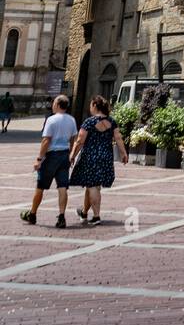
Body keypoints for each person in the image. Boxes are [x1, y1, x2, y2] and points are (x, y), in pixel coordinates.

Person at [20, 94, 77, 228]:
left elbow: (46, 140)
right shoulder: (72, 120)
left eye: (53, 103)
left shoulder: (51, 120)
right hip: (64, 155)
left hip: (52, 156)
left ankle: (32, 214)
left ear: (57, 104)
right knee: (62, 187)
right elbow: (73, 139)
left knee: (41, 186)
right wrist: (71, 154)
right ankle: (62, 216)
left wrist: (39, 159)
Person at [70, 95, 128, 223]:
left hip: (91, 157)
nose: (90, 107)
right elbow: (118, 138)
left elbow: (79, 141)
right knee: (92, 186)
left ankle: (96, 216)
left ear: (95, 106)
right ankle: (84, 213)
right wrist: (123, 153)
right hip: (106, 157)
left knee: (93, 186)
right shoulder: (112, 122)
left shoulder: (89, 122)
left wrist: (73, 155)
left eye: (91, 105)